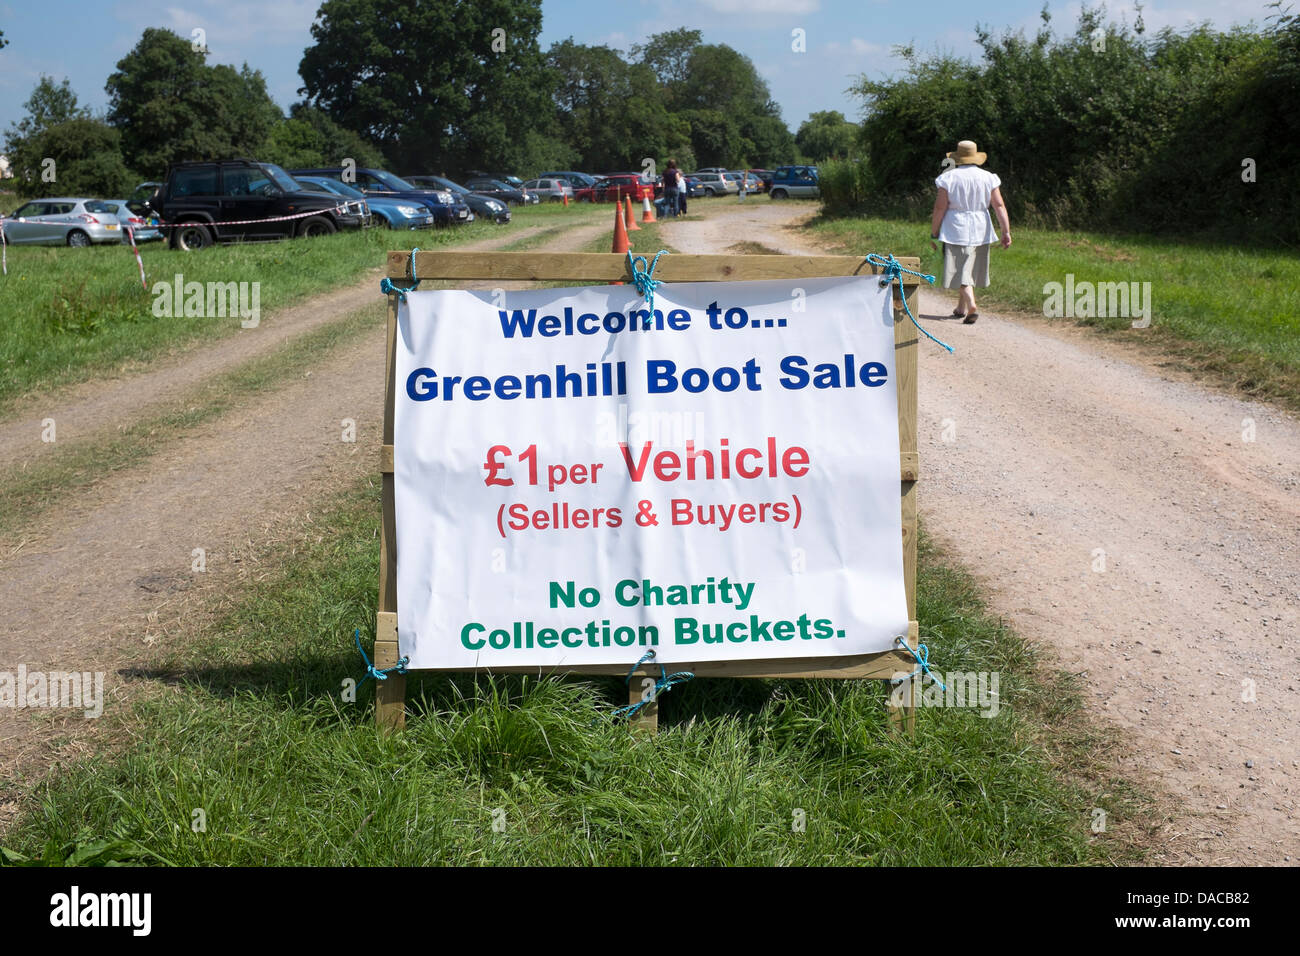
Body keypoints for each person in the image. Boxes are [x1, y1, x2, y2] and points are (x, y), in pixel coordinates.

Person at [929, 140, 1011, 324]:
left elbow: (940, 208)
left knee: (960, 269)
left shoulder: (948, 178)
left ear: (957, 158)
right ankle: (961, 308)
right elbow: (999, 205)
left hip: (956, 228)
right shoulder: (988, 177)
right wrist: (1006, 231)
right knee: (970, 268)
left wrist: (934, 232)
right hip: (981, 227)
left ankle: (971, 304)